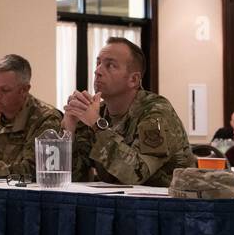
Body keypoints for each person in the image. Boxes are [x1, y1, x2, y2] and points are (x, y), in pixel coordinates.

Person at [64, 37, 193, 186]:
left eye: (110, 65)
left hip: (168, 205)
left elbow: (135, 174)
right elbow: (76, 177)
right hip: (119, 203)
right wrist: (69, 130)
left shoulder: (156, 112)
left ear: (133, 79)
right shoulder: (98, 112)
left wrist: (97, 125)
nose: (97, 71)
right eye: (98, 63)